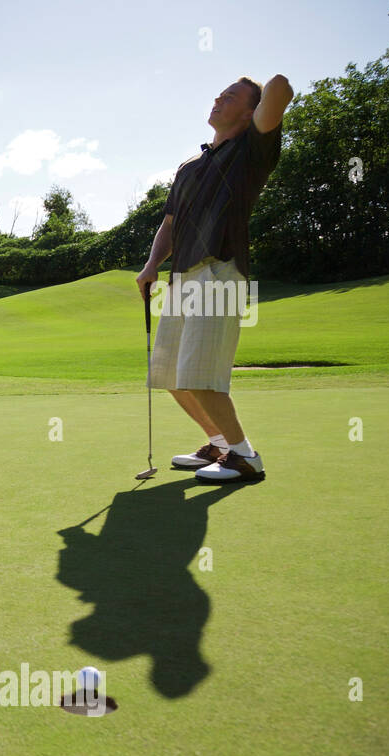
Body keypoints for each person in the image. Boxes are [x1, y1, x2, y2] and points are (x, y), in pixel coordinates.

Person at [136, 75, 293, 484]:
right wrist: (152, 264)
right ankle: (220, 442)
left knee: (200, 375)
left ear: (249, 112)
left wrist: (260, 98)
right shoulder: (190, 167)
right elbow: (169, 222)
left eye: (231, 97)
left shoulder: (253, 150)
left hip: (221, 271)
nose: (219, 99)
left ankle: (245, 456)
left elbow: (280, 88)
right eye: (219, 94)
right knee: (169, 376)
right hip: (181, 276)